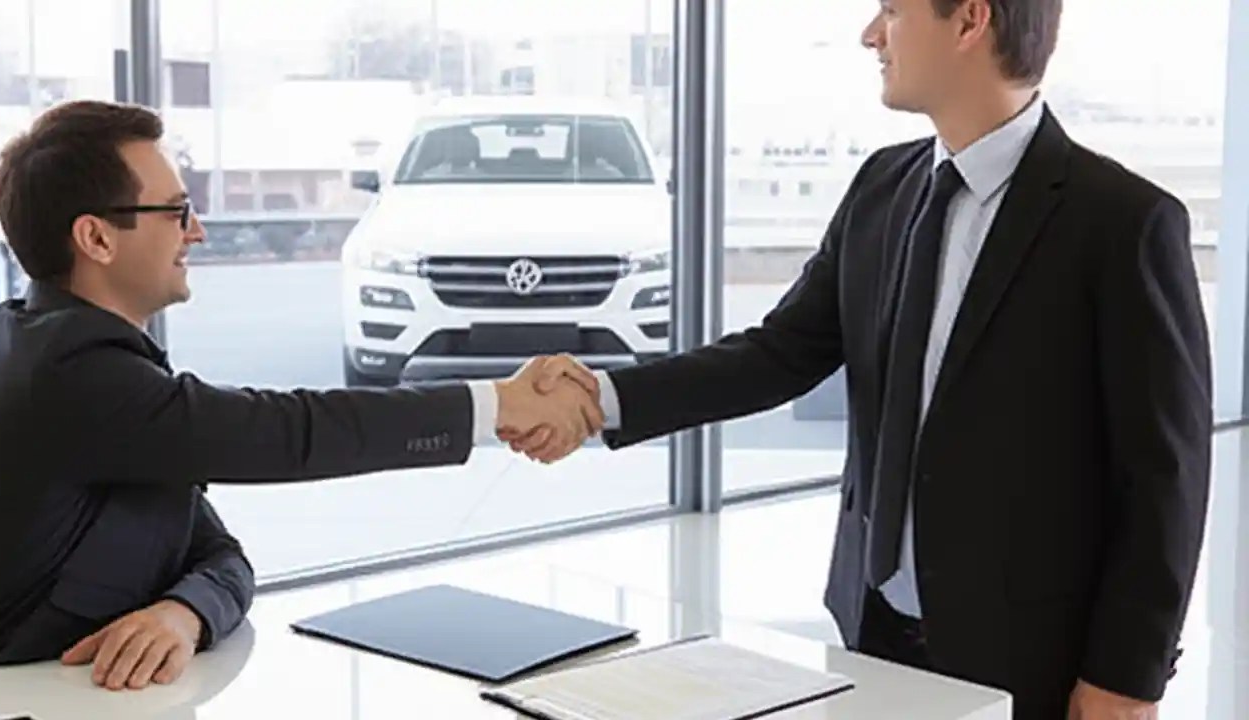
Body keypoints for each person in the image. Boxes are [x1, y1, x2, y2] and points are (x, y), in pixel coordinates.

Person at [508, 1, 1212, 717]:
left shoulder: (1123, 222)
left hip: (1033, 658)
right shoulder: (884, 186)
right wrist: (602, 396)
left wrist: (1126, 677)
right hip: (870, 635)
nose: (871, 34)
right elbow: (778, 353)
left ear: (970, 21)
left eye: (892, 10)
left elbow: (1165, 477)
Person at [0, 100, 602, 690]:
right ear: (98, 239)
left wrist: (184, 611)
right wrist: (497, 405)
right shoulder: (71, 377)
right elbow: (293, 431)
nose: (198, 233)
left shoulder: (79, 362)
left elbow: (219, 556)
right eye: (177, 211)